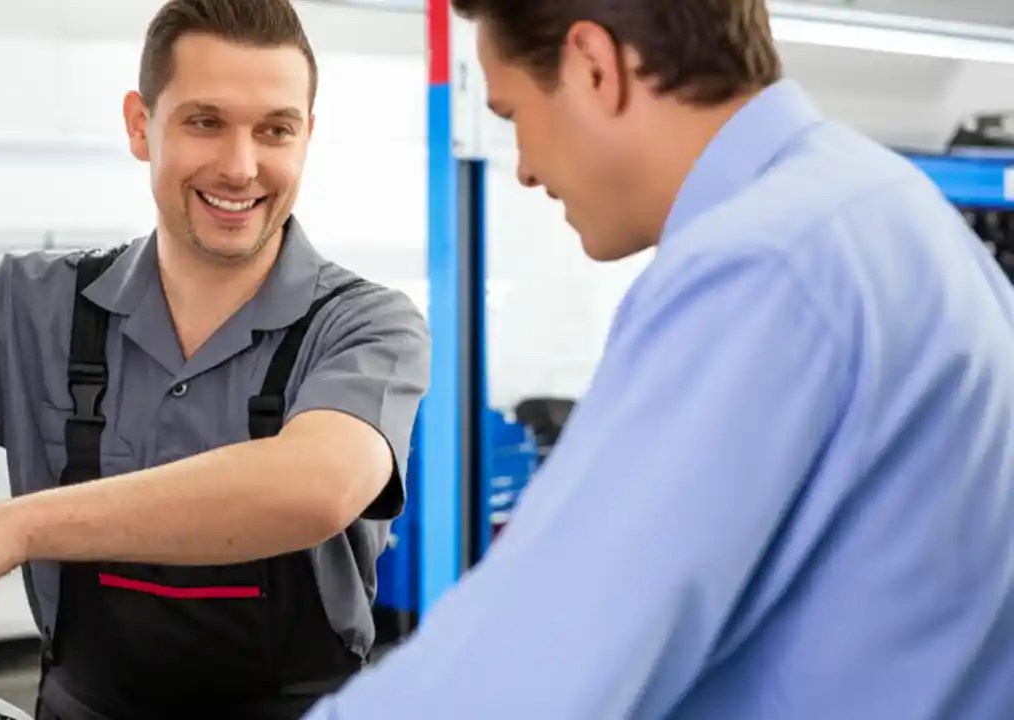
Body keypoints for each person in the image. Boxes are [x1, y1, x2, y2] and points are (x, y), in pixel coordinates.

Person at [304, 1, 1014, 718]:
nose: (522, 168)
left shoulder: (761, 265)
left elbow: (524, 672)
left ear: (592, 66)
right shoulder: (882, 206)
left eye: (513, 114)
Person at [0, 1, 431, 718]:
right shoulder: (31, 310)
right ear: (140, 124)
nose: (241, 166)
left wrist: (8, 528)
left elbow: (313, 487)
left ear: (307, 136)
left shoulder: (364, 323)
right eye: (205, 122)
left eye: (274, 130)